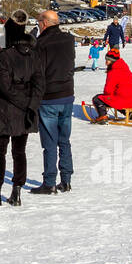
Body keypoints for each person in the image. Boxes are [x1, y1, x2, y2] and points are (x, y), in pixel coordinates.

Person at [0, 16, 43, 207]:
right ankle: (16, 192)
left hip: (6, 109)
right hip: (25, 109)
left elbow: (4, 86)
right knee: (19, 152)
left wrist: (25, 104)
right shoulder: (34, 55)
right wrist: (31, 106)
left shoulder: (5, 55)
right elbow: (40, 84)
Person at [31, 10, 75, 195]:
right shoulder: (69, 39)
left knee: (49, 142)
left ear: (45, 23)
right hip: (67, 94)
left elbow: (36, 71)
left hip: (49, 98)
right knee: (64, 140)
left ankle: (49, 182)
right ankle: (66, 181)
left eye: (39, 22)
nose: (38, 25)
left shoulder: (41, 43)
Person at [88, 47, 132, 121]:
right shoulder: (125, 68)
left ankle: (102, 116)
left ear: (113, 61)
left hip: (123, 100)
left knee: (97, 98)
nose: (106, 62)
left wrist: (106, 96)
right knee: (116, 97)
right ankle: (128, 113)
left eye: (108, 60)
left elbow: (108, 90)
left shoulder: (113, 71)